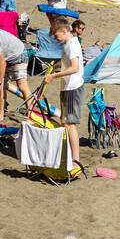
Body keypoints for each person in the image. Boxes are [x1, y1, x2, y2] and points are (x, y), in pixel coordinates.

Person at [47, 19, 85, 172]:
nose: (56, 40)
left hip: (73, 88)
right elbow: (68, 63)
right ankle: (70, 154)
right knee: (66, 122)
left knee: (70, 124)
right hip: (68, 86)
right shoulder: (68, 44)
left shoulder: (72, 45)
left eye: (57, 37)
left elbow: (75, 67)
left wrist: (54, 76)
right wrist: (56, 66)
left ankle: (76, 160)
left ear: (64, 31)